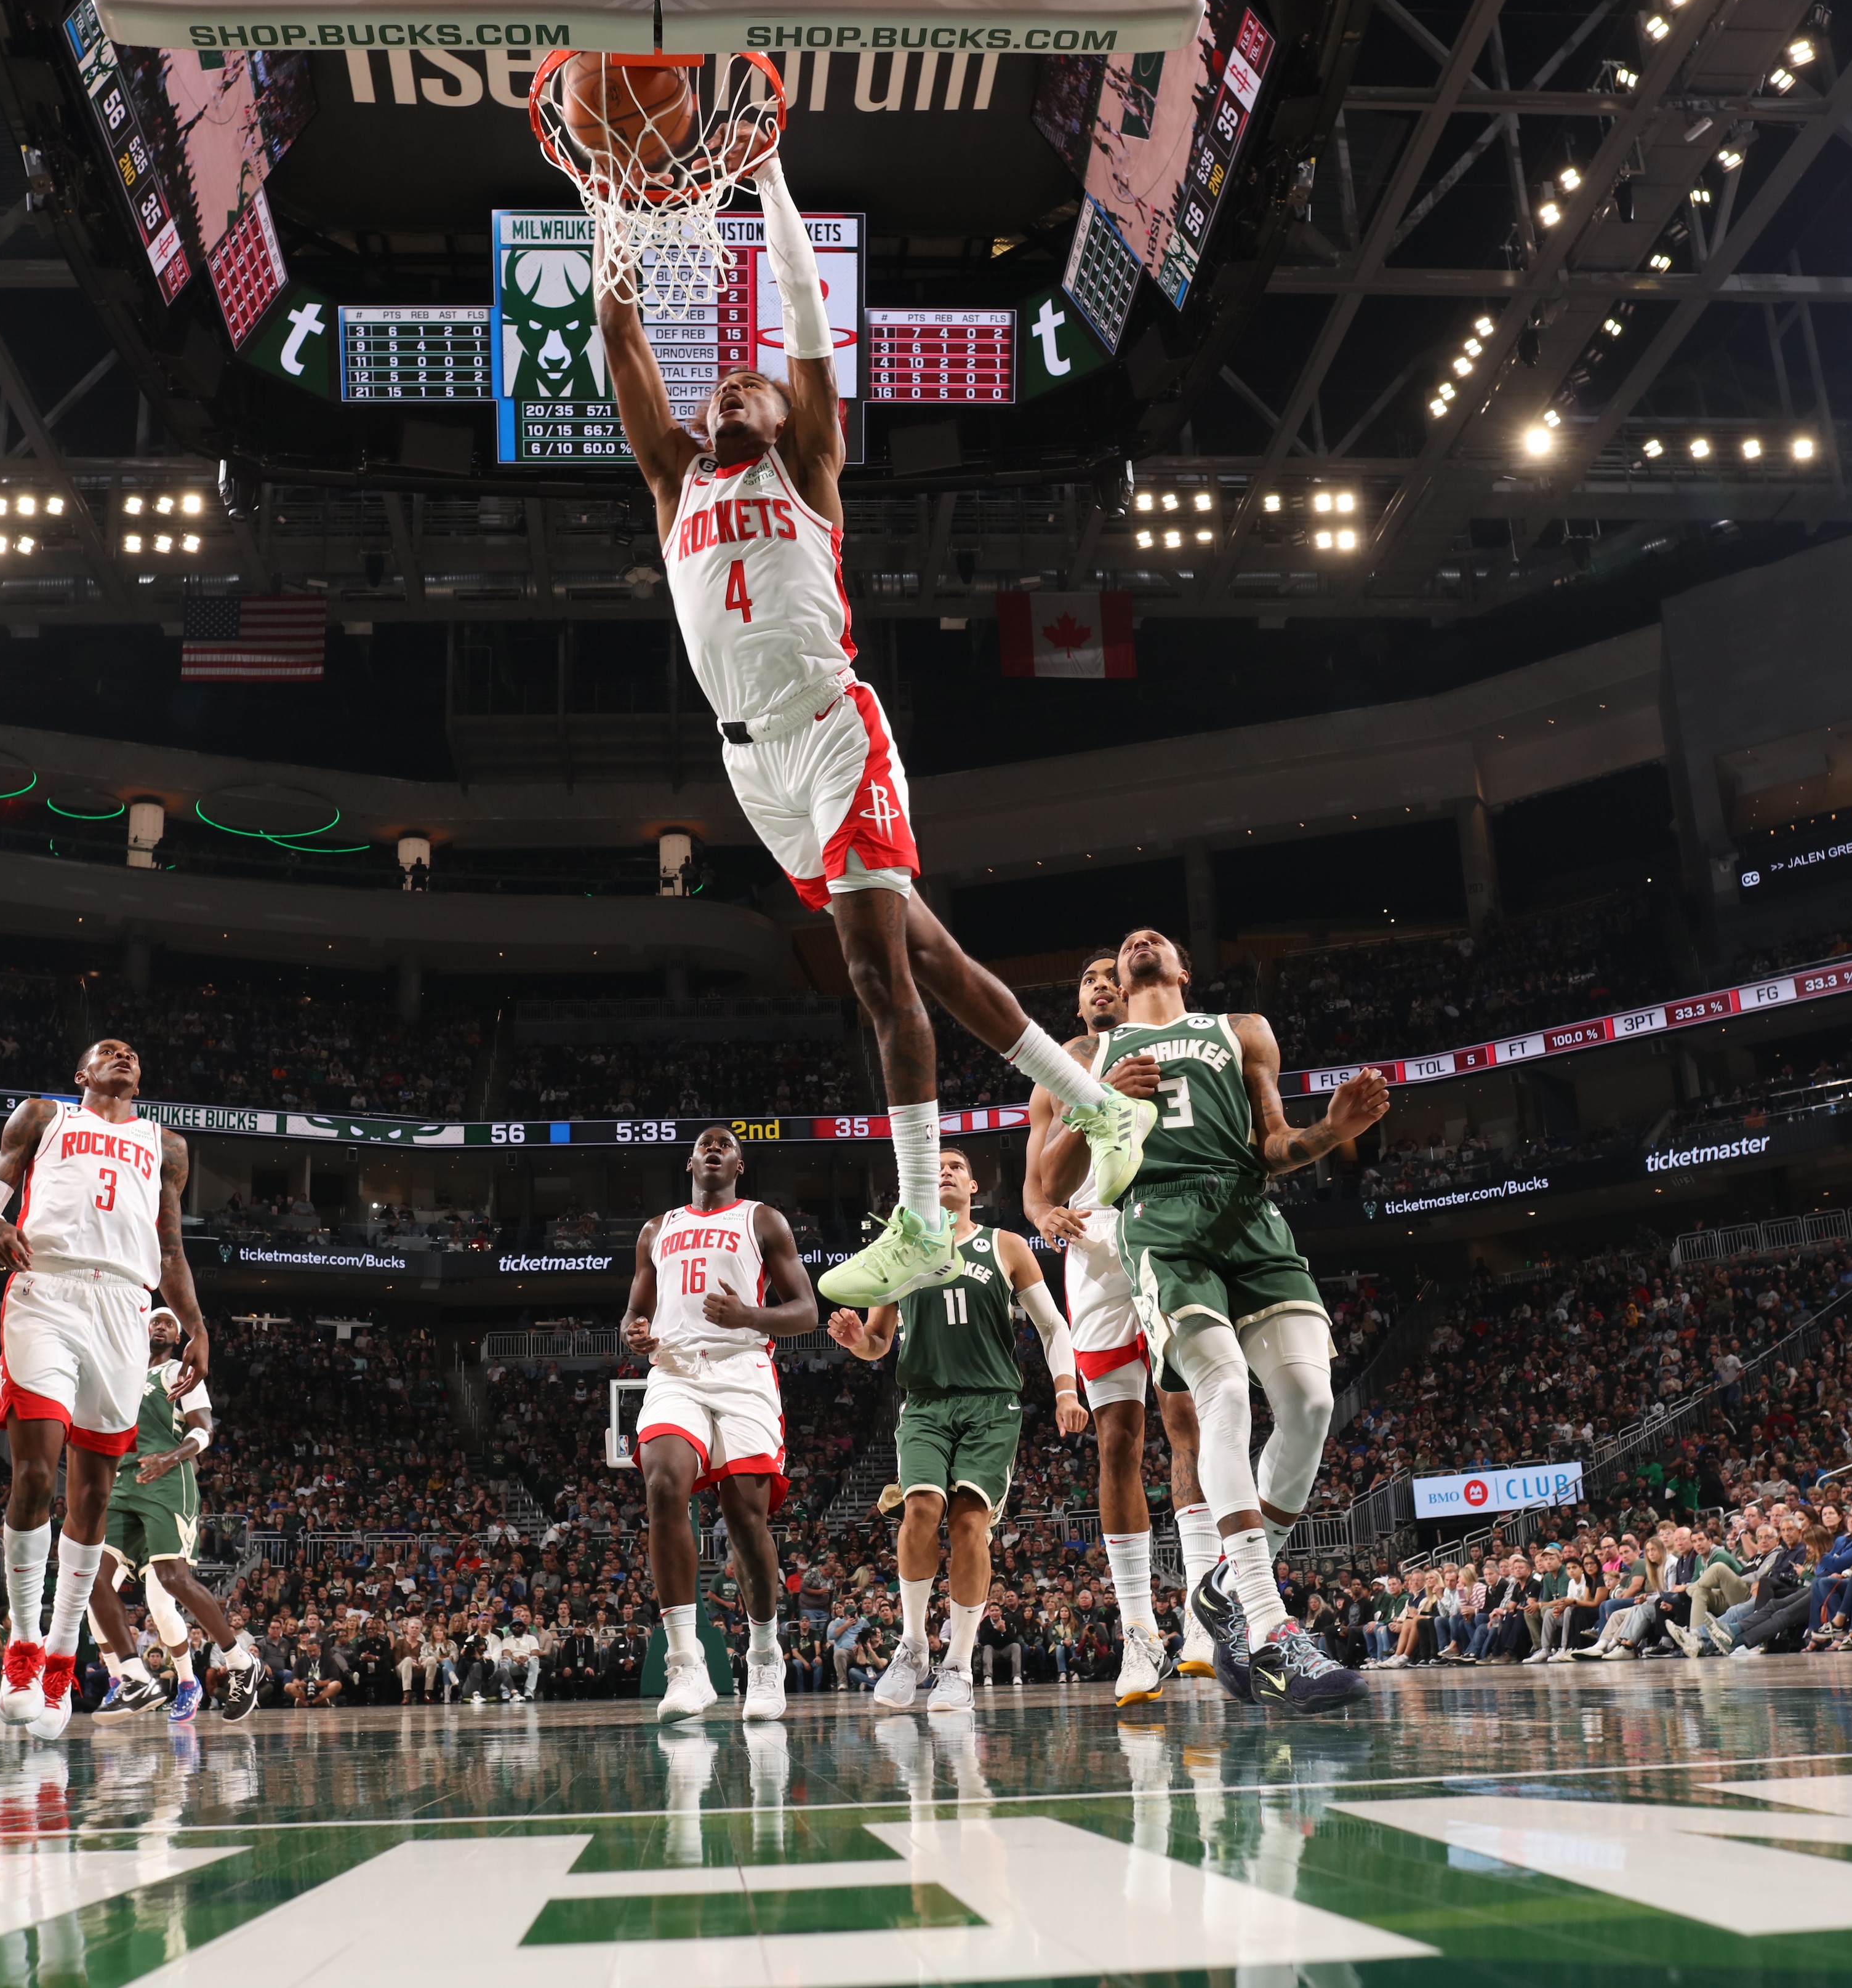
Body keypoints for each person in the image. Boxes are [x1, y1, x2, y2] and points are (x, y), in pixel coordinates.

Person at [594, 142, 1155, 1315]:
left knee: (873, 967)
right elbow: (625, 345)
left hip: (832, 727)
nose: (734, 391)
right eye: (724, 389)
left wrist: (771, 187)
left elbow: (803, 312)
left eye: (757, 386)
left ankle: (920, 1221)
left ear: (794, 412)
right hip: (751, 761)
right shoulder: (672, 482)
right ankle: (1099, 1102)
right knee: (931, 958)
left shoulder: (807, 463)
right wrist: (610, 229)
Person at [1097, 926, 1389, 1713]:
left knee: (1310, 1402)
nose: (1140, 940)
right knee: (1222, 1394)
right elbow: (1056, 1176)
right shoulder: (1090, 1051)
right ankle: (1266, 1629)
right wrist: (1103, 1111)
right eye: (1127, 943)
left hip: (1246, 1214)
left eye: (1154, 937)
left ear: (1183, 969)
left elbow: (1273, 1144)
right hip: (1159, 1221)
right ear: (1118, 982)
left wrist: (1333, 1132)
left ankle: (1224, 1584)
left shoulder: (1241, 1031)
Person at [0, 1038, 213, 1742]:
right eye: (108, 1051)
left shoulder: (164, 1145)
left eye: (133, 1052)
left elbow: (170, 1249)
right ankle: (22, 1642)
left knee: (96, 1494)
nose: (124, 1055)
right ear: (82, 1073)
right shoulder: (43, 1116)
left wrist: (194, 1326)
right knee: (37, 1472)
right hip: (46, 1291)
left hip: (125, 1306)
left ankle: (63, 1654)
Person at [828, 1148, 1081, 1715]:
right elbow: (878, 1342)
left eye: (955, 1166)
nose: (944, 1171)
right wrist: (855, 1340)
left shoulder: (1005, 1245)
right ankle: (913, 1643)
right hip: (924, 1403)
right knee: (920, 1508)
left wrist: (1065, 1389)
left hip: (991, 1405)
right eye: (935, 1167)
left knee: (969, 1522)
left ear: (974, 1187)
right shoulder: (898, 1254)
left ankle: (959, 1664)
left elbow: (1051, 1325)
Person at [1021, 952, 1211, 1701]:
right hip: (1096, 1245)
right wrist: (1042, 1215)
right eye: (1087, 981)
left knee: (1186, 1415)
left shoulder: (1172, 1045)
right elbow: (1038, 1186)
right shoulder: (1066, 1061)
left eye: (1111, 977)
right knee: (1118, 1438)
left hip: (1164, 1227)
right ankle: (1139, 1633)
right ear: (1078, 1004)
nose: (1100, 985)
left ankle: (1203, 1612)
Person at [622, 1125, 821, 1725]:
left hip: (742, 1370)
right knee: (661, 1483)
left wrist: (747, 1314)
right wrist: (633, 1333)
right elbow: (634, 1314)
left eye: (724, 1143)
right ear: (689, 1162)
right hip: (676, 1369)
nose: (713, 1147)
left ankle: (763, 1656)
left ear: (739, 1164)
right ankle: (686, 1665)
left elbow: (807, 1312)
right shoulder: (657, 1230)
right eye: (704, 1142)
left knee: (744, 1520)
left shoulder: (763, 1221)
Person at [84, 1305, 262, 1725]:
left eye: (169, 1323)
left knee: (171, 1580)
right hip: (124, 1482)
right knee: (90, 1577)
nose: (160, 1326)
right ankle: (131, 1677)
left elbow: (204, 1431)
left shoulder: (182, 1373)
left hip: (168, 1479)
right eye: (154, 1321)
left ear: (178, 1337)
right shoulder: (124, 1376)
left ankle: (238, 1661)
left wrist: (170, 1458)